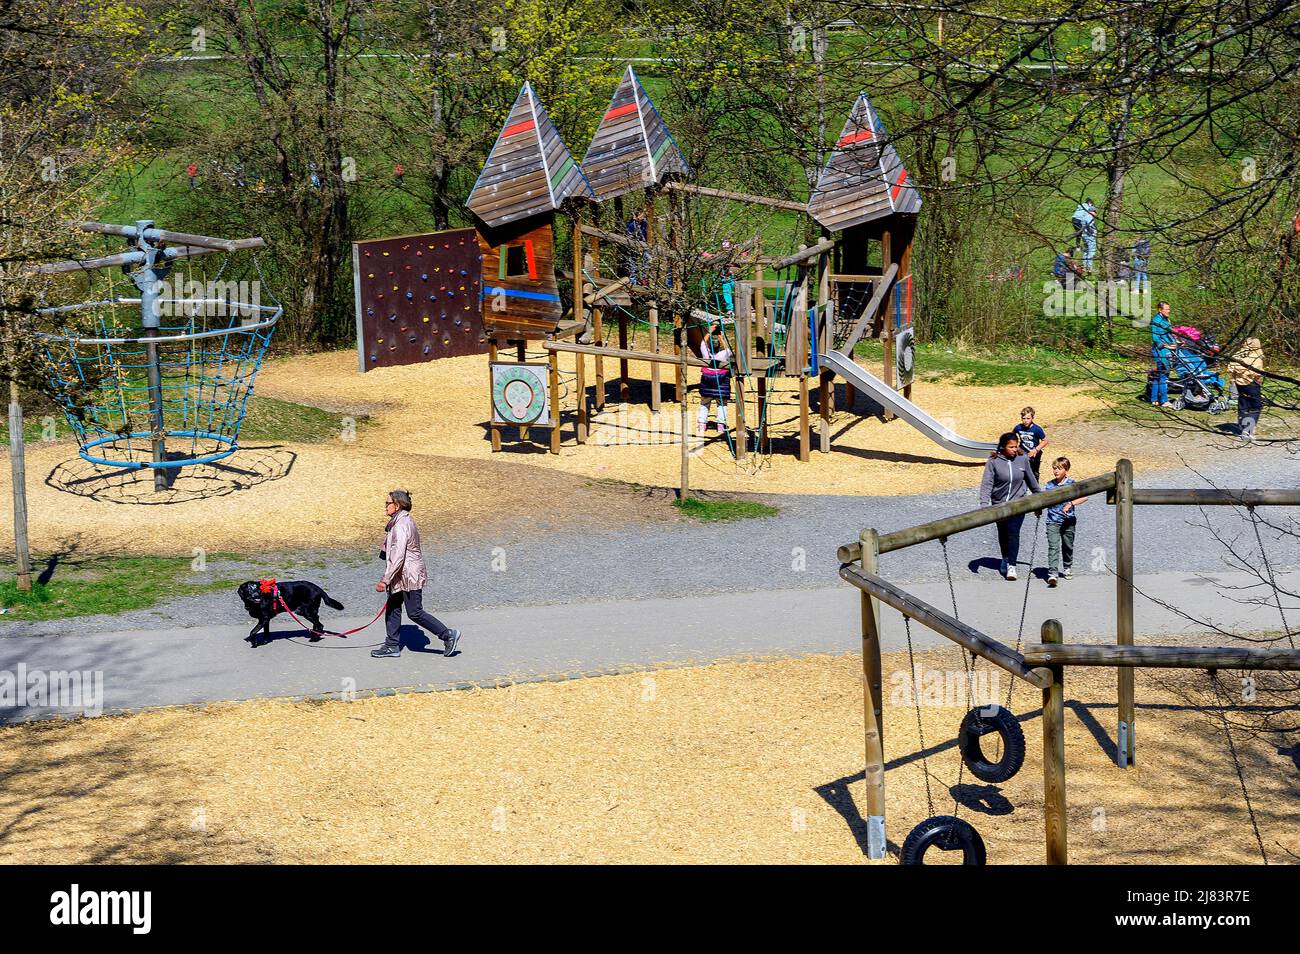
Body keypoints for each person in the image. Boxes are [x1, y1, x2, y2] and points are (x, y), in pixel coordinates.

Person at [372, 490, 461, 658]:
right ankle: (392, 646)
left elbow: (398, 556)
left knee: (415, 612)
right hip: (401, 575)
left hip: (408, 575)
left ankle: (448, 635)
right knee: (392, 608)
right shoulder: (397, 522)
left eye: (387, 503)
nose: (385, 506)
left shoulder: (401, 525)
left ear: (397, 505)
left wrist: (385, 579)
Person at [979, 432, 1041, 581]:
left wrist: (1040, 498)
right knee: (1003, 533)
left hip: (1018, 504)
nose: (1014, 449)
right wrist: (983, 504)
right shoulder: (993, 461)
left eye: (1016, 446)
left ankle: (1012, 566)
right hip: (999, 505)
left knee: (1013, 532)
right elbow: (987, 484)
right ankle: (1005, 558)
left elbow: (1031, 480)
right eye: (1011, 447)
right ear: (1003, 447)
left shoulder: (1022, 459)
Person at [1043, 457, 1085, 587]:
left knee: (1067, 545)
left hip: (1068, 520)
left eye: (1059, 469)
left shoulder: (1072, 484)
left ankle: (1067, 566)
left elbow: (1084, 497)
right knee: (1053, 546)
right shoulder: (1049, 485)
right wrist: (1038, 509)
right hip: (1052, 521)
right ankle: (1053, 573)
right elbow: (1044, 500)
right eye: (1054, 468)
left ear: (1066, 470)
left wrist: (1071, 503)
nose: (1056, 471)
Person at [698, 323, 732, 436]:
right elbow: (728, 349)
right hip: (720, 383)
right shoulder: (723, 354)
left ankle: (702, 424)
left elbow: (703, 343)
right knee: (721, 404)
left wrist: (710, 331)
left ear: (709, 346)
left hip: (707, 382)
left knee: (704, 403)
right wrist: (722, 336)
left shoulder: (706, 354)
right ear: (718, 347)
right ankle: (721, 426)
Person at [1230, 335, 1264, 440]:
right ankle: (1248, 430)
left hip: (1239, 384)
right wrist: (1259, 383)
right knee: (1255, 407)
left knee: (1243, 404)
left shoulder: (1238, 355)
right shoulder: (1255, 356)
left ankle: (1242, 425)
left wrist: (1233, 381)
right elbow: (1257, 373)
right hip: (1252, 384)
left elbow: (1231, 371)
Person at [1148, 300, 1175, 407]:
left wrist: (1176, 343)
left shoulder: (1166, 319)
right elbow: (1155, 338)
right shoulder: (1156, 320)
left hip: (1167, 350)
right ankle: (1164, 401)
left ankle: (1154, 399)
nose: (1169, 311)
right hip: (1160, 351)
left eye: (1169, 309)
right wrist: (1168, 346)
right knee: (1164, 375)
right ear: (1160, 309)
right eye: (1167, 309)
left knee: (1159, 375)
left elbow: (1169, 334)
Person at [1013, 406, 1048, 480]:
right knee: (1021, 472)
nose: (1025, 421)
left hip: (1034, 453)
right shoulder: (1018, 427)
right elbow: (1011, 436)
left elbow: (1045, 441)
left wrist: (1036, 450)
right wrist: (1016, 446)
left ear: (1032, 418)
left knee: (1034, 473)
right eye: (1023, 418)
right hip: (1022, 452)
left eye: (1028, 418)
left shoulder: (1037, 429)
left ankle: (1035, 490)